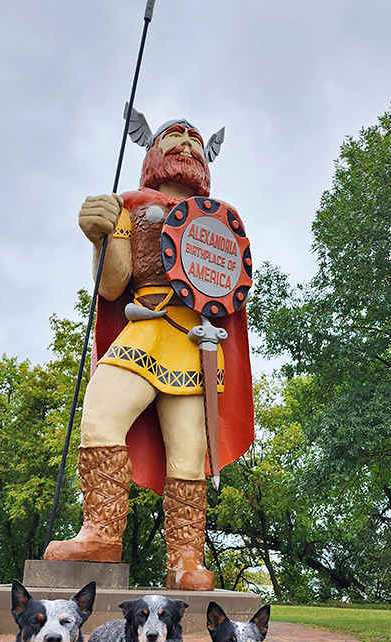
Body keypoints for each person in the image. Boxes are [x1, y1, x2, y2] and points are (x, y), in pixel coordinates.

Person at [44, 111, 253, 591]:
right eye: (173, 135)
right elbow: (114, 283)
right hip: (143, 328)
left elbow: (231, 287)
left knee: (187, 454)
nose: (186, 143)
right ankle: (100, 534)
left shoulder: (219, 220)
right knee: (100, 415)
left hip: (195, 341)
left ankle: (185, 560)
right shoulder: (128, 206)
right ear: (150, 152)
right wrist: (100, 234)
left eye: (195, 140)